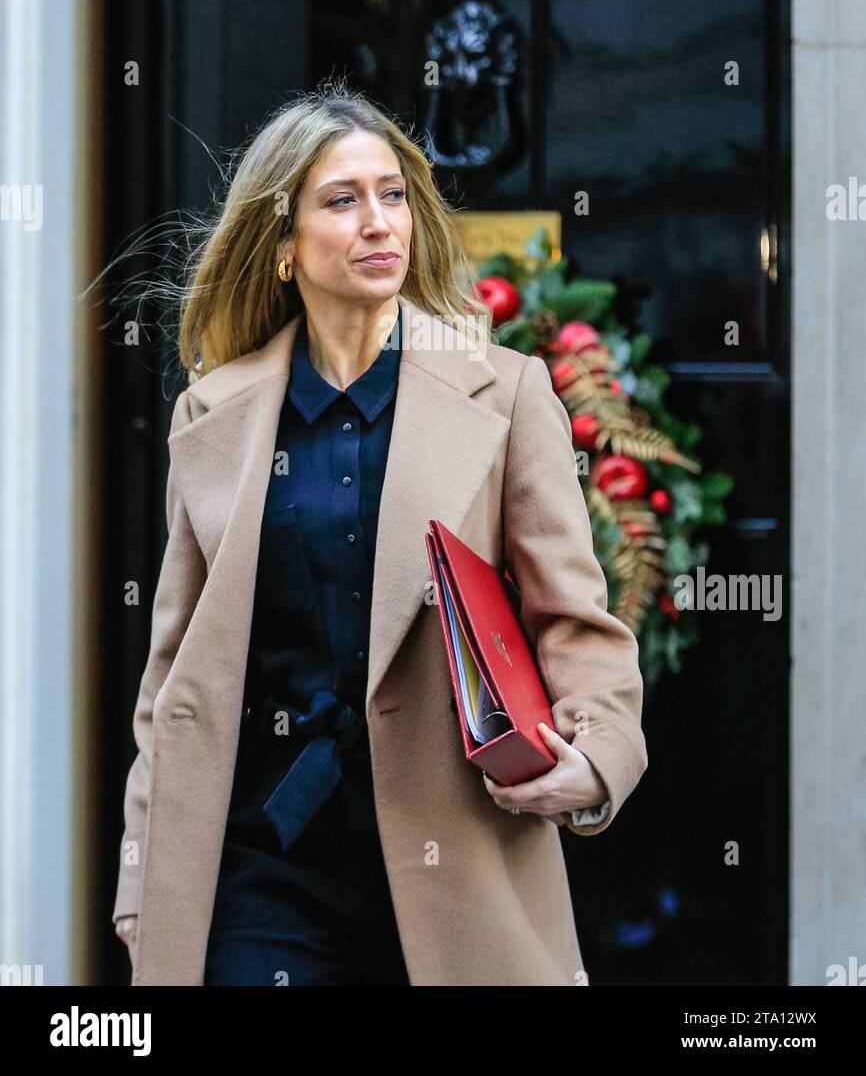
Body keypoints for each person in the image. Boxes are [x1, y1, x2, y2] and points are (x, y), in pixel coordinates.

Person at [112, 85, 647, 986]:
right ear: (281, 247)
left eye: (393, 195)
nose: (378, 223)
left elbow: (575, 623)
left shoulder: (505, 394)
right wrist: (141, 878)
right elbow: (175, 678)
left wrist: (594, 761)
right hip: (263, 859)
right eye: (342, 200)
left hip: (453, 859)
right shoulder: (216, 415)